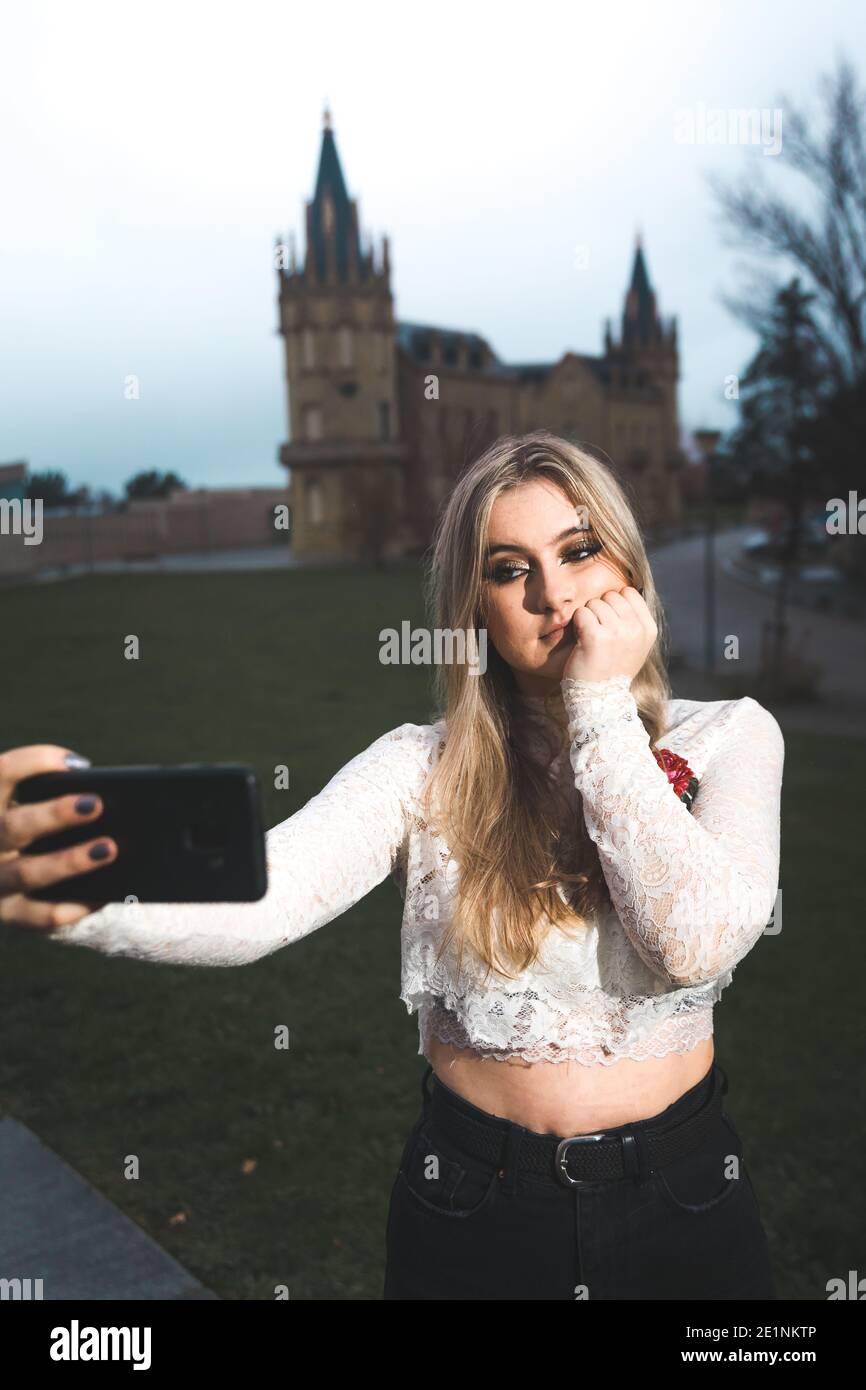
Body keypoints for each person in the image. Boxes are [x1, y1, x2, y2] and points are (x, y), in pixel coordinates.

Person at [0, 430, 783, 1300]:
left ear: (627, 564)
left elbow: (695, 941)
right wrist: (85, 891)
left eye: (578, 549)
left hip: (686, 1200)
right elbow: (267, 898)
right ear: (473, 606)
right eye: (508, 569)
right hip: (477, 1210)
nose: (553, 594)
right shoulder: (422, 765)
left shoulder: (733, 735)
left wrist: (598, 704)